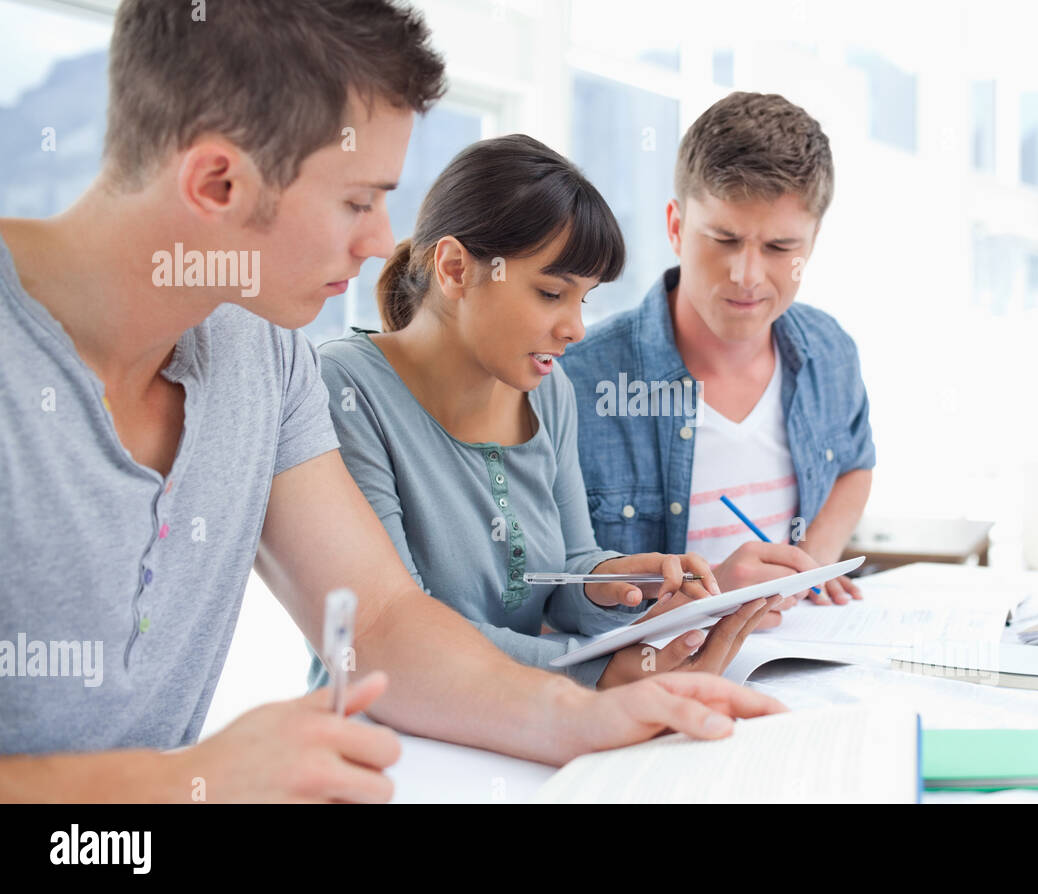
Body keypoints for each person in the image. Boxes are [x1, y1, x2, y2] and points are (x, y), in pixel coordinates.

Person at [0, 0, 781, 803]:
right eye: (356, 201)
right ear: (217, 182)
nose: (382, 241)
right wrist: (186, 781)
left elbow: (379, 625)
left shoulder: (263, 359)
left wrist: (577, 713)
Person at [310, 134, 778, 691]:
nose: (575, 328)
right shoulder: (348, 387)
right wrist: (592, 670)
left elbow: (568, 568)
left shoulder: (548, 394)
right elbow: (398, 626)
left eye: (584, 300)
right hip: (394, 734)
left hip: (525, 726)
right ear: (456, 269)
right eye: (552, 293)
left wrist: (615, 580)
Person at [564, 91, 876, 611]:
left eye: (780, 248)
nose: (747, 276)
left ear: (812, 242)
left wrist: (813, 563)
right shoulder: (574, 382)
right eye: (723, 239)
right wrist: (707, 599)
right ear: (675, 227)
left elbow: (854, 465)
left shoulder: (831, 352)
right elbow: (542, 592)